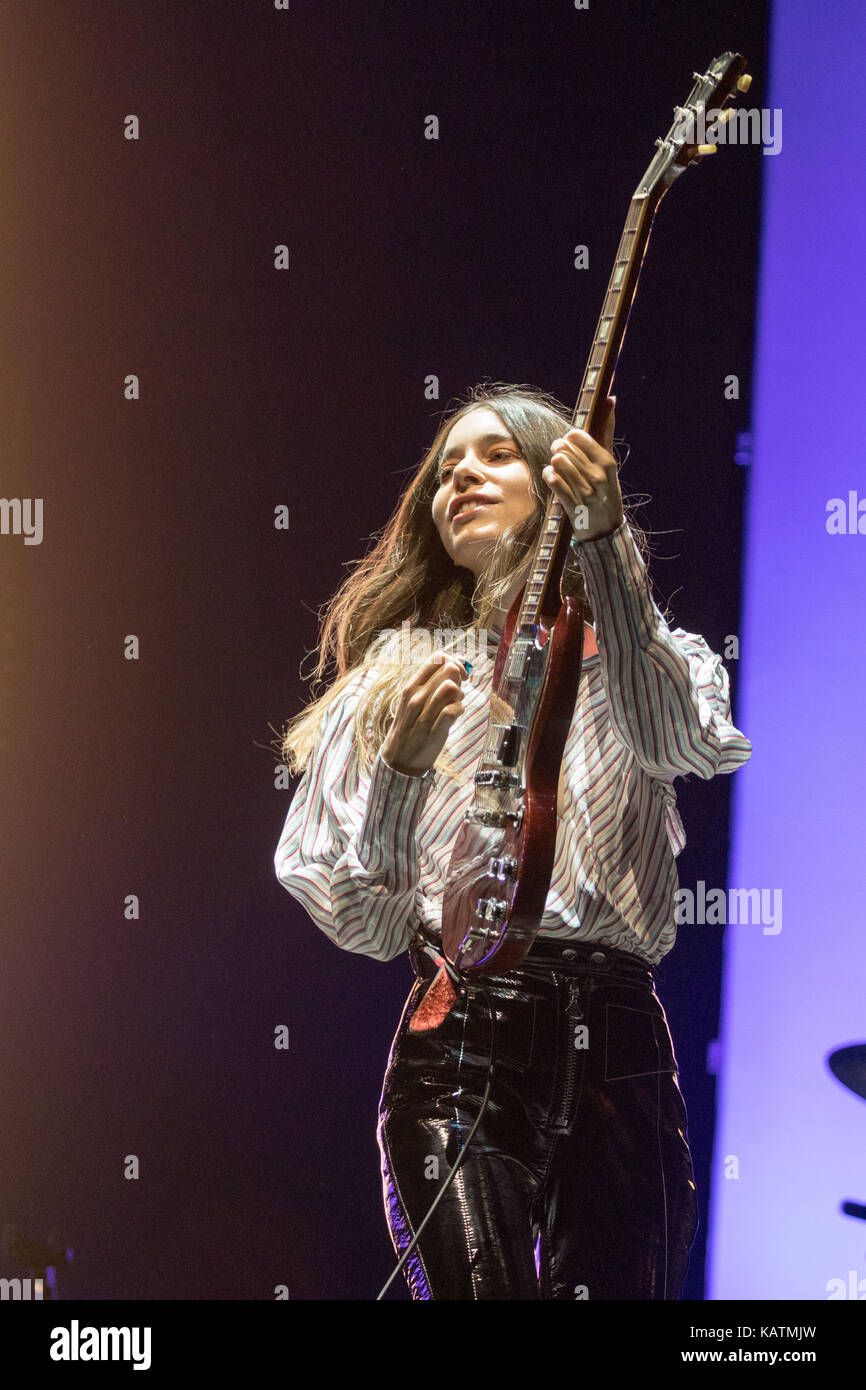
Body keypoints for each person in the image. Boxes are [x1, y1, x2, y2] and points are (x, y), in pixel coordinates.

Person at [273, 383, 751, 1300]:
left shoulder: (652, 651)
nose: (462, 479)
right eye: (446, 469)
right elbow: (362, 921)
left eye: (495, 456)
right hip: (463, 1035)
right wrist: (400, 780)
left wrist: (609, 548)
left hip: (619, 1040)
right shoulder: (393, 677)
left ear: (562, 482)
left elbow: (676, 741)